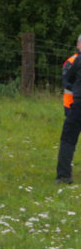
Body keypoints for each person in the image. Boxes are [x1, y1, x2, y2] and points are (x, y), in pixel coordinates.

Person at [56, 33, 81, 184]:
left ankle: (64, 176)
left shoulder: (77, 60)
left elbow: (67, 79)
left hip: (77, 104)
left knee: (68, 140)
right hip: (73, 103)